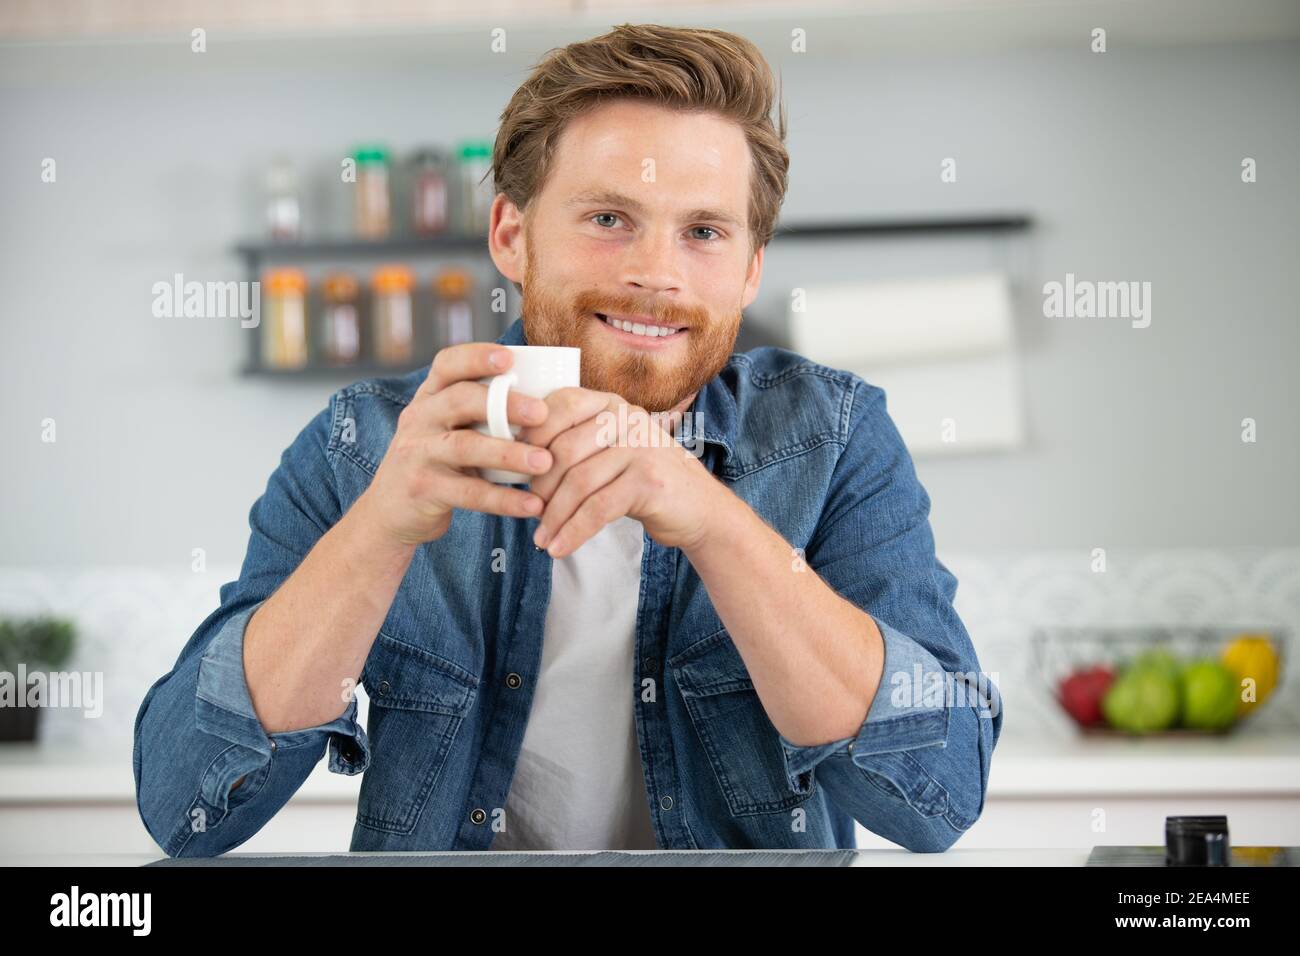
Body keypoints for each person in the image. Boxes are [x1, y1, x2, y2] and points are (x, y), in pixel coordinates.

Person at [133, 23, 1001, 857]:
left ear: (749, 270)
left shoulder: (835, 438)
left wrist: (712, 519)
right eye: (609, 219)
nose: (655, 273)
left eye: (703, 231)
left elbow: (940, 792)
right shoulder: (367, 446)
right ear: (512, 236)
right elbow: (186, 809)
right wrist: (378, 530)